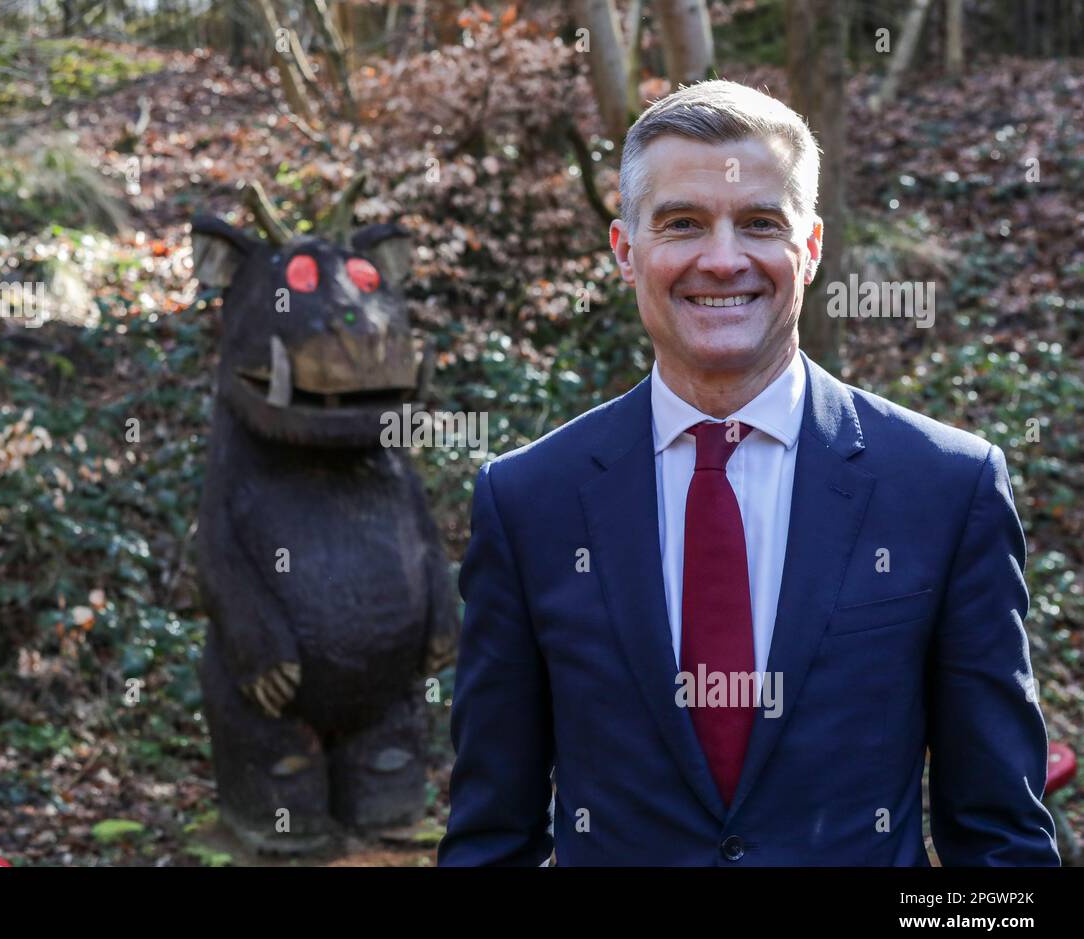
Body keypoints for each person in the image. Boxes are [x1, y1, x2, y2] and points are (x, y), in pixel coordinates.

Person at [437, 80, 1059, 866]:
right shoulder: (528, 501)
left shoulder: (946, 488)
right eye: (683, 224)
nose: (723, 259)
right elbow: (492, 837)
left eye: (760, 223)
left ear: (812, 247)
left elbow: (1000, 842)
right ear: (626, 251)